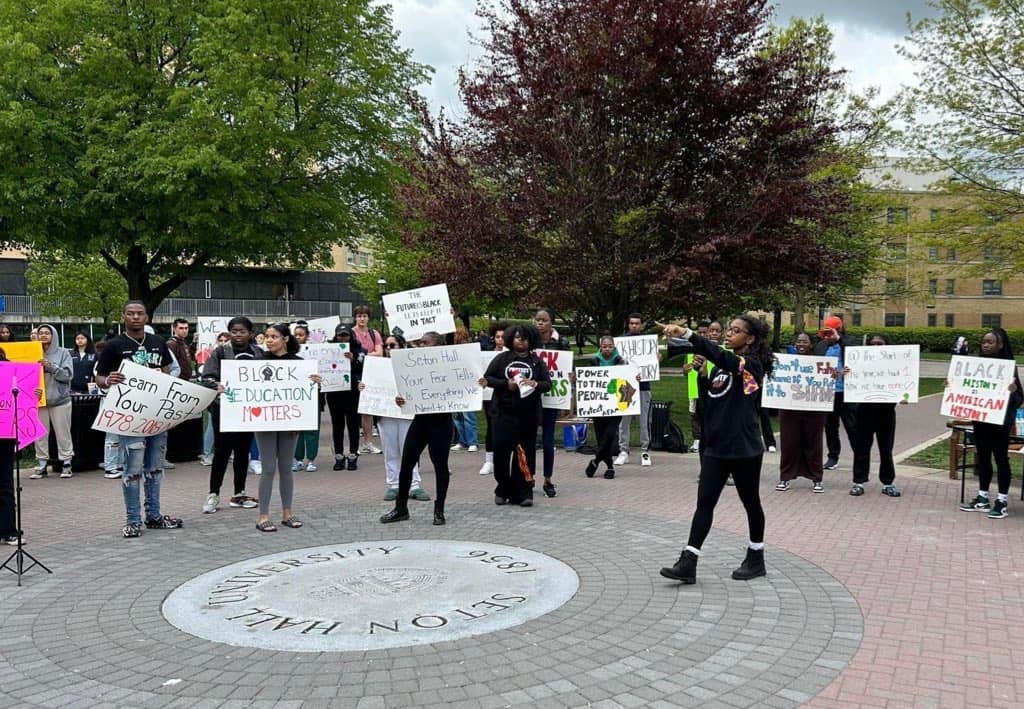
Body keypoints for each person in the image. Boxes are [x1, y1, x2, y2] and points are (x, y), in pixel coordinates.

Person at [659, 315, 774, 584]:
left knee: (751, 502)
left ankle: (756, 556)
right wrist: (698, 372)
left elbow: (724, 359)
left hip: (744, 448)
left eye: (736, 331)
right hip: (717, 447)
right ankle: (688, 562)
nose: (729, 334)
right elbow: (713, 401)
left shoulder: (751, 366)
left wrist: (688, 334)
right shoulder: (720, 367)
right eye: (729, 330)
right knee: (704, 504)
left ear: (751, 338)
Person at [95, 301, 183, 538]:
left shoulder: (158, 343)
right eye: (131, 314)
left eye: (140, 313)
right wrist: (108, 380)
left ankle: (153, 516)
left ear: (147, 317)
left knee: (155, 468)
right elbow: (100, 378)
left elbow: (169, 371)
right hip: (130, 415)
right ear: (123, 317)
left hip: (156, 414)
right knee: (132, 469)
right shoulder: (114, 346)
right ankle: (133, 520)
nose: (135, 317)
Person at [380, 332, 455, 525]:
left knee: (440, 466)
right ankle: (401, 508)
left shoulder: (450, 368)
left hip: (442, 423)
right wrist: (401, 399)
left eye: (425, 343)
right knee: (407, 463)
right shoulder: (414, 367)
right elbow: (406, 392)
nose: (421, 346)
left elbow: (463, 388)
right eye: (420, 343)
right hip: (420, 421)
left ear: (437, 347)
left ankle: (439, 509)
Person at [253, 324, 321, 532]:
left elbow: (307, 397)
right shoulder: (258, 362)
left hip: (289, 421)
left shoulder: (299, 364)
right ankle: (263, 515)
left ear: (285, 339)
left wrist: (315, 384)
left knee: (286, 469)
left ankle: (287, 513)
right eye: (267, 337)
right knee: (268, 468)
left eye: (274, 336)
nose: (270, 340)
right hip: (264, 421)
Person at [199, 317, 263, 513]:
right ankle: (213, 494)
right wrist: (214, 384)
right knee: (222, 452)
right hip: (224, 411)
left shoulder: (259, 353)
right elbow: (207, 377)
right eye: (234, 331)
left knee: (243, 452)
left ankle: (239, 493)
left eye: (242, 331)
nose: (237, 334)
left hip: (247, 412)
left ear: (250, 333)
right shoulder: (220, 352)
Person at [484, 324, 551, 506]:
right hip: (503, 414)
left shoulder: (537, 362)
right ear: (510, 339)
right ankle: (502, 488)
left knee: (525, 454)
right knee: (501, 453)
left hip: (527, 416)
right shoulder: (501, 359)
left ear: (531, 341)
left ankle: (523, 491)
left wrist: (534, 383)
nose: (520, 341)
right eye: (517, 337)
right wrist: (506, 384)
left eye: (524, 338)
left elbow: (547, 384)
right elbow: (487, 379)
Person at [959, 328, 1023, 519]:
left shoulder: (1008, 368)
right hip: (981, 419)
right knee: (983, 457)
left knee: (1001, 458)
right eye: (984, 342)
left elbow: (1019, 399)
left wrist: (1012, 391)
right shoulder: (975, 366)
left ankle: (1002, 501)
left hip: (1001, 422)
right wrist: (952, 385)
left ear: (1000, 345)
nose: (986, 345)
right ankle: (983, 497)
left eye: (990, 342)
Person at [366, 334, 430, 502]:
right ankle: (393, 484)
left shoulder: (412, 365)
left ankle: (414, 485)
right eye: (386, 346)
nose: (389, 349)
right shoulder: (378, 366)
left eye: (393, 345)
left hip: (407, 413)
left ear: (402, 346)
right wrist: (364, 386)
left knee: (409, 449)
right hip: (386, 413)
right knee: (390, 450)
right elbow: (370, 385)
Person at [848, 334, 905, 497]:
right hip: (864, 411)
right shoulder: (860, 363)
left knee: (886, 449)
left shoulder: (895, 365)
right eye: (872, 344)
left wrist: (906, 395)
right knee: (862, 448)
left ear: (887, 346)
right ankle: (858, 482)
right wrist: (847, 373)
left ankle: (888, 482)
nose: (875, 347)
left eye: (879, 344)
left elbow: (904, 386)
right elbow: (852, 382)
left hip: (886, 412)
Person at [775, 333, 826, 492]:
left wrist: (835, 374)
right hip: (790, 409)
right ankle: (785, 477)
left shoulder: (819, 361)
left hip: (813, 409)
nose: (801, 344)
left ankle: (816, 479)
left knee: (813, 443)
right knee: (789, 443)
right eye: (798, 341)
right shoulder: (785, 362)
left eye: (805, 341)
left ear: (811, 344)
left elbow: (827, 379)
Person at [30, 324, 75, 479]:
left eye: (47, 333)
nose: (43, 335)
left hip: (60, 400)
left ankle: (67, 463)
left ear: (53, 335)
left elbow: (67, 376)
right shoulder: (32, 352)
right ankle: (41, 465)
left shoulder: (63, 353)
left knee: (63, 434)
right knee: (39, 435)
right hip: (39, 400)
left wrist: (51, 367)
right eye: (40, 333)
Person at [813, 315, 858, 470]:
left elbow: (855, 354)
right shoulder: (821, 346)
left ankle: (859, 455)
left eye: (831, 332)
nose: (828, 336)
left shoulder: (849, 343)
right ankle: (833, 457)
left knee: (852, 426)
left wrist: (839, 339)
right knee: (830, 427)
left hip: (846, 392)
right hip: (828, 392)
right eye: (826, 333)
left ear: (839, 330)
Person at [534, 308, 568, 497]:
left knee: (548, 441)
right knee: (529, 440)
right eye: (537, 320)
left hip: (552, 398)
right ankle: (528, 476)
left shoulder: (561, 342)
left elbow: (566, 368)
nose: (540, 323)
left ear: (551, 323)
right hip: (532, 398)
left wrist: (570, 376)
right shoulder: (529, 341)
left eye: (544, 320)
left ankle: (547, 479)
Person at [617, 314, 656, 466]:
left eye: (637, 323)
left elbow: (652, 363)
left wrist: (656, 360)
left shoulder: (648, 342)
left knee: (644, 420)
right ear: (628, 324)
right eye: (631, 323)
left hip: (643, 385)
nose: (634, 326)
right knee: (624, 420)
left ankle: (645, 451)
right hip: (625, 386)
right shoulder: (621, 341)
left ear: (642, 325)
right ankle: (623, 450)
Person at [325, 324, 365, 470]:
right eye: (340, 335)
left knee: (353, 425)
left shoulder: (358, 349)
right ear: (336, 336)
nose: (343, 338)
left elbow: (364, 366)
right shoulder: (329, 349)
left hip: (352, 393)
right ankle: (339, 456)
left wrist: (353, 359)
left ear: (350, 335)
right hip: (334, 393)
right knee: (337, 425)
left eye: (345, 335)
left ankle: (353, 455)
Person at [587, 336, 626, 479]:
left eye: (610, 346)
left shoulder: (620, 361)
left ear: (614, 347)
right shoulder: (594, 361)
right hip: (598, 405)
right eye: (604, 346)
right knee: (601, 437)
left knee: (610, 434)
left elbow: (627, 378)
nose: (607, 349)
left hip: (616, 405)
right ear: (600, 347)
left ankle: (596, 460)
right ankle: (610, 467)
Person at [352, 305, 383, 455]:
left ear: (368, 317)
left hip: (370, 373)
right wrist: (369, 354)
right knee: (353, 410)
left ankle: (368, 442)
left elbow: (380, 352)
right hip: (354, 374)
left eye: (364, 316)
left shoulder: (374, 333)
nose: (362, 318)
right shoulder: (351, 333)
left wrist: (363, 355)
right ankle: (354, 445)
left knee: (368, 410)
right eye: (359, 316)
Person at [479, 321, 508, 475]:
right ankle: (489, 460)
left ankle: (502, 459)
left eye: (503, 337)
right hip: (489, 396)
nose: (500, 340)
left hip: (506, 397)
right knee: (491, 426)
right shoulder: (486, 354)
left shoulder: (511, 355)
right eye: (497, 337)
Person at [291, 324, 321, 472]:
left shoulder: (315, 352)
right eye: (295, 334)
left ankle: (310, 459)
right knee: (296, 428)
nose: (298, 337)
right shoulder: (289, 352)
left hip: (311, 394)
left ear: (307, 336)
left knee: (311, 428)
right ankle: (297, 459)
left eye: (301, 335)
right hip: (295, 395)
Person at [200, 332, 230, 466]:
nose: (223, 342)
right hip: (216, 397)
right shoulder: (214, 356)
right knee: (212, 426)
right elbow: (206, 377)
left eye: (226, 340)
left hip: (231, 397)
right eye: (221, 340)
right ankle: (207, 454)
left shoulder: (233, 356)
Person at [0, 347, 19, 544]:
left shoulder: (9, 369)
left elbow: (24, 397)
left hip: (4, 434)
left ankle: (7, 529)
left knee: (5, 484)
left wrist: (34, 393)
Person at [451, 326, 480, 453]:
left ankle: (472, 441)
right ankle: (463, 441)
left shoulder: (470, 351)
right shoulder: (452, 351)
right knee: (458, 416)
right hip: (457, 386)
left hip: (468, 387)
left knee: (467, 416)